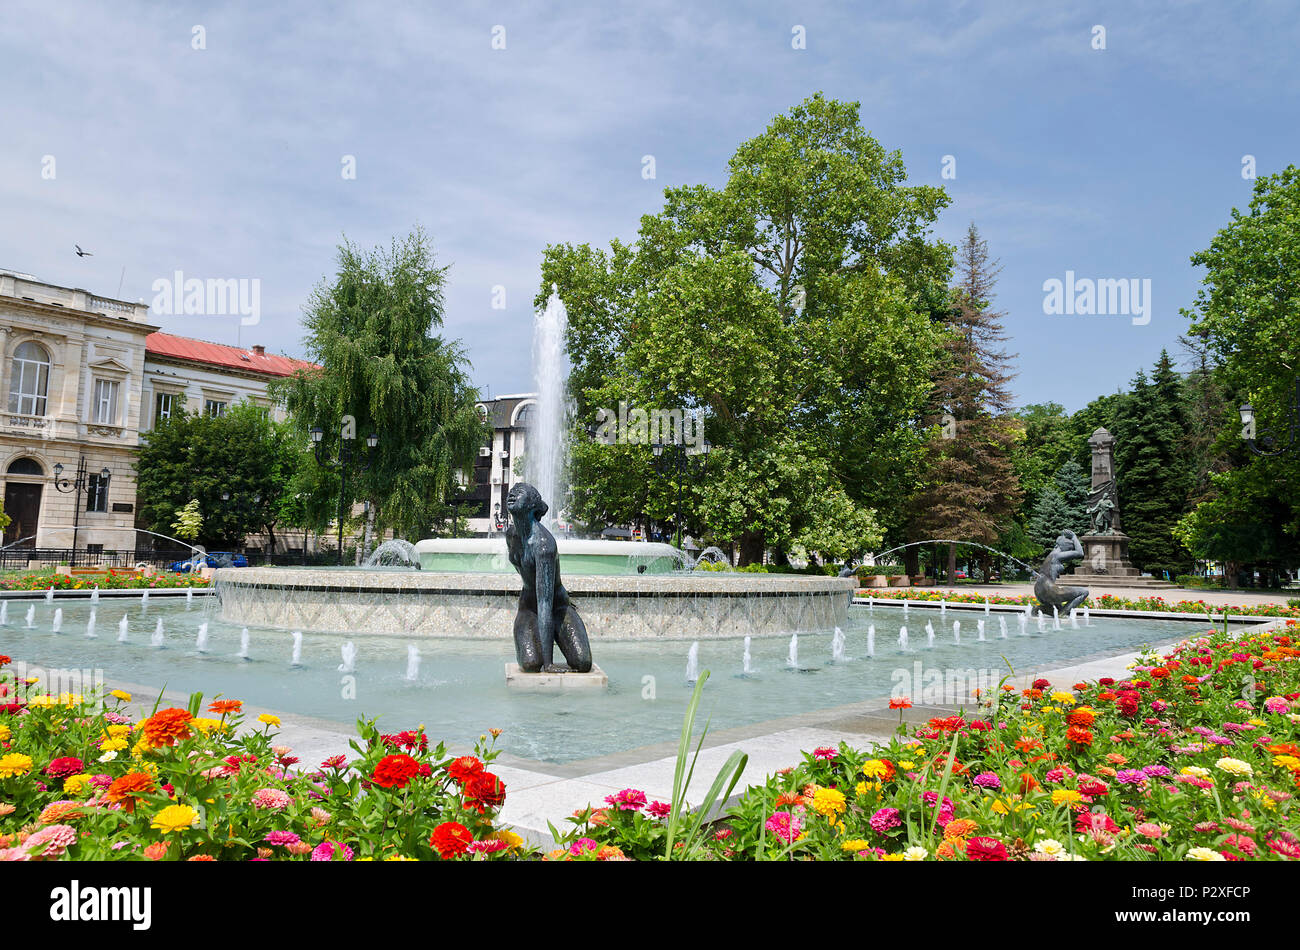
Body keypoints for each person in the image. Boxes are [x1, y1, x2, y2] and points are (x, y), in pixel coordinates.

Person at [505, 482, 592, 673]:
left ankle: (556, 634)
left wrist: (549, 663)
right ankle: (538, 637)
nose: (511, 495)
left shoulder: (544, 545)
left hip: (556, 608)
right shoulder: (511, 534)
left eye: (519, 493)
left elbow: (545, 603)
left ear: (531, 505)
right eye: (511, 492)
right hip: (529, 608)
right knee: (530, 664)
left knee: (583, 663)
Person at [1032, 529, 1089, 617]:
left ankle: (1041, 609)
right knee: (1084, 592)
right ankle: (1061, 615)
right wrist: (1074, 537)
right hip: (1049, 590)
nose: (1069, 552)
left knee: (1058, 607)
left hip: (1039, 591)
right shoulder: (1057, 555)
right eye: (1069, 549)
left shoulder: (1050, 555)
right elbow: (1080, 553)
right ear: (1065, 546)